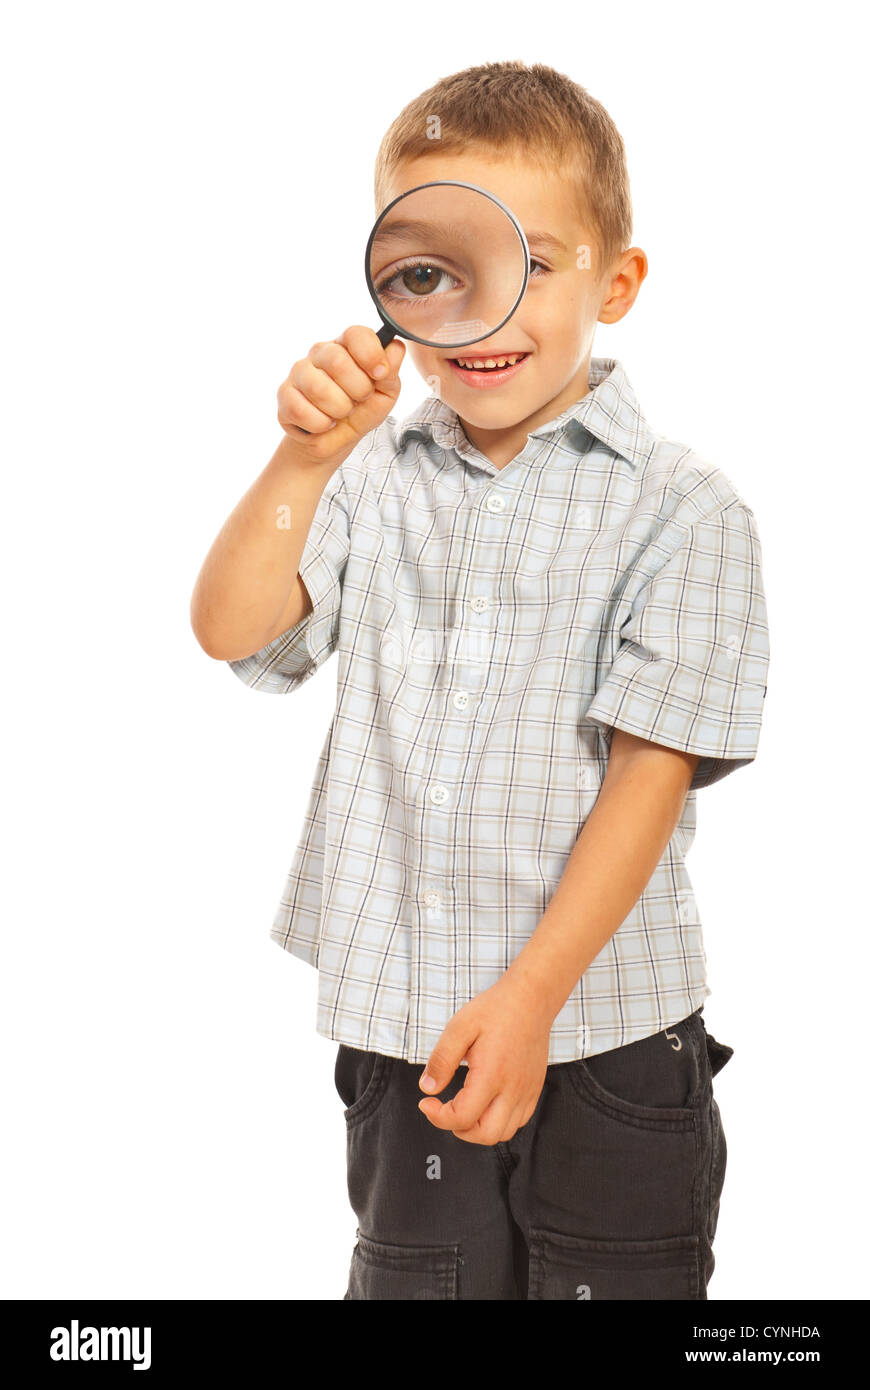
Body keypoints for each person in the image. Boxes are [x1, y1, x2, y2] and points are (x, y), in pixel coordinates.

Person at [190, 60, 770, 1300]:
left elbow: (648, 781)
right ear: (396, 293)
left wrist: (532, 999)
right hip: (411, 1036)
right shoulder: (371, 476)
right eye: (433, 272)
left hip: (612, 1037)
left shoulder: (683, 509)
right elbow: (239, 635)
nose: (485, 310)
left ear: (617, 283)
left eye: (533, 265)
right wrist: (300, 458)